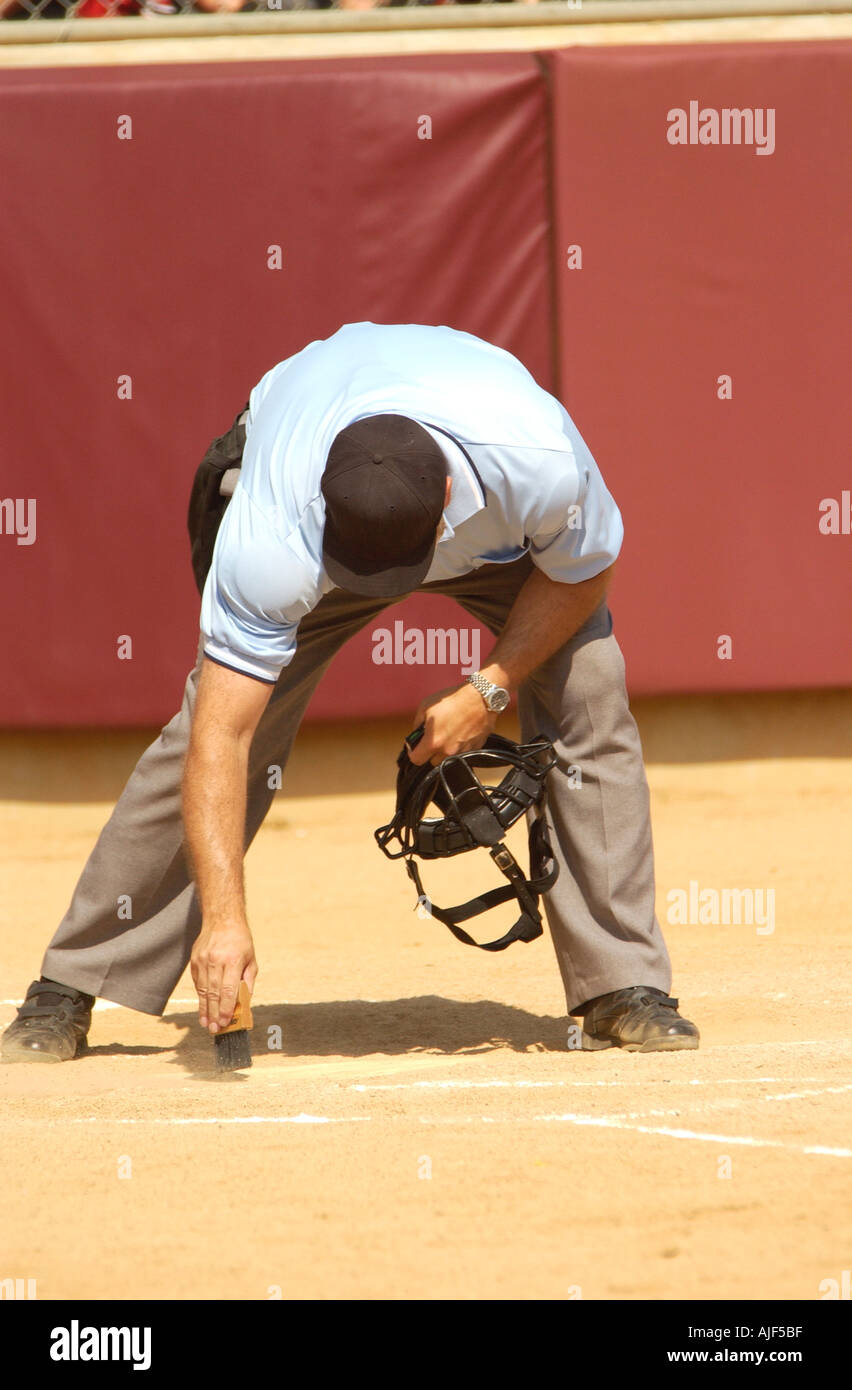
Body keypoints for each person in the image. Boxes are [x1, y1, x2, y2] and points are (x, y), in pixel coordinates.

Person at [1, 322, 698, 1063]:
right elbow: (222, 738)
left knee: (591, 684)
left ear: (450, 497)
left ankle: (623, 984)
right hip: (316, 522)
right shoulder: (275, 532)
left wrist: (492, 687)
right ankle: (69, 985)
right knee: (214, 722)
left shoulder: (540, 467)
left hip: (497, 538)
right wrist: (226, 919)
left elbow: (583, 570)